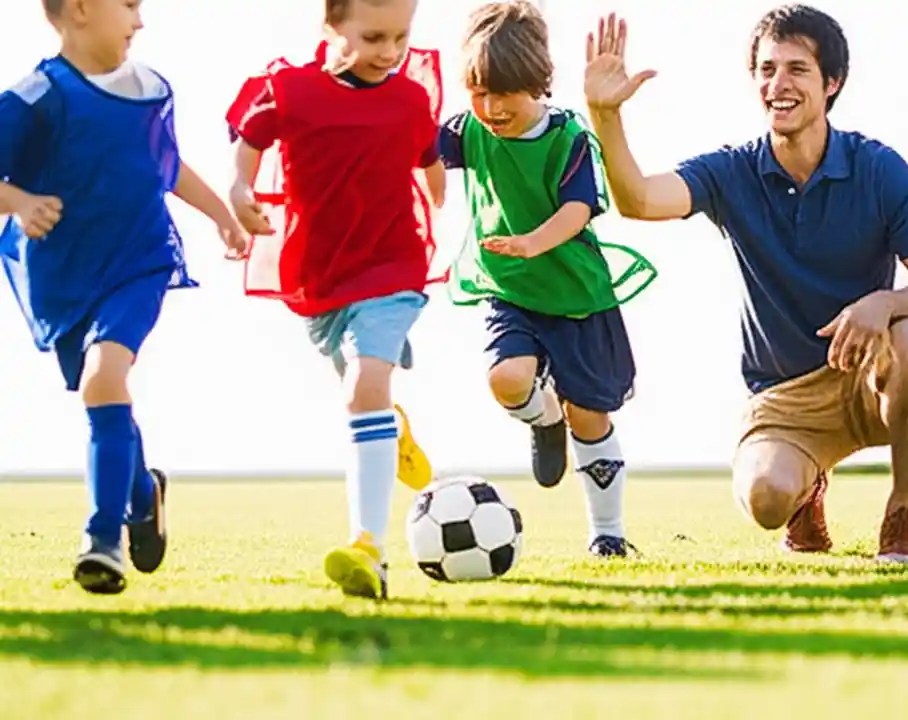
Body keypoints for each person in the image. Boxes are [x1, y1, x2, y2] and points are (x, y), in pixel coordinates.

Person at [583, 5, 908, 563]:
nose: (777, 84)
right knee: (765, 499)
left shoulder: (878, 169)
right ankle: (806, 491)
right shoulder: (732, 171)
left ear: (832, 83)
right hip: (784, 397)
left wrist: (883, 302)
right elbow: (638, 200)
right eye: (766, 68)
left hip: (869, 377)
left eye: (797, 69)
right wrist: (604, 115)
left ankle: (903, 515)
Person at [0, 0, 248, 594]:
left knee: (103, 379)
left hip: (139, 263)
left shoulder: (149, 90)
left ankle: (102, 537)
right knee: (99, 392)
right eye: (130, 5)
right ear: (81, 9)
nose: (141, 19)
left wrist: (221, 216)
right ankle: (142, 493)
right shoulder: (35, 97)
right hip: (63, 278)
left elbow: (167, 165)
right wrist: (21, 204)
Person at [225, 0, 445, 598]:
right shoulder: (292, 91)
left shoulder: (409, 99)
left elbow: (430, 160)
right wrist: (240, 189)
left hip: (395, 266)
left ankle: (367, 546)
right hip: (320, 277)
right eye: (373, 36)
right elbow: (249, 136)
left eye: (401, 36)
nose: (389, 51)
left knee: (362, 390)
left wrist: (439, 194)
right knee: (361, 394)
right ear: (331, 27)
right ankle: (391, 429)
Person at [440, 0, 657, 558]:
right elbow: (414, 151)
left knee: (592, 414)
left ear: (537, 83)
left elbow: (579, 208)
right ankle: (543, 417)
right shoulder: (468, 130)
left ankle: (607, 533)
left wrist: (534, 242)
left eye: (503, 93)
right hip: (507, 289)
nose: (490, 108)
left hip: (575, 293)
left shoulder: (567, 137)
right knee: (507, 378)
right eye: (478, 92)